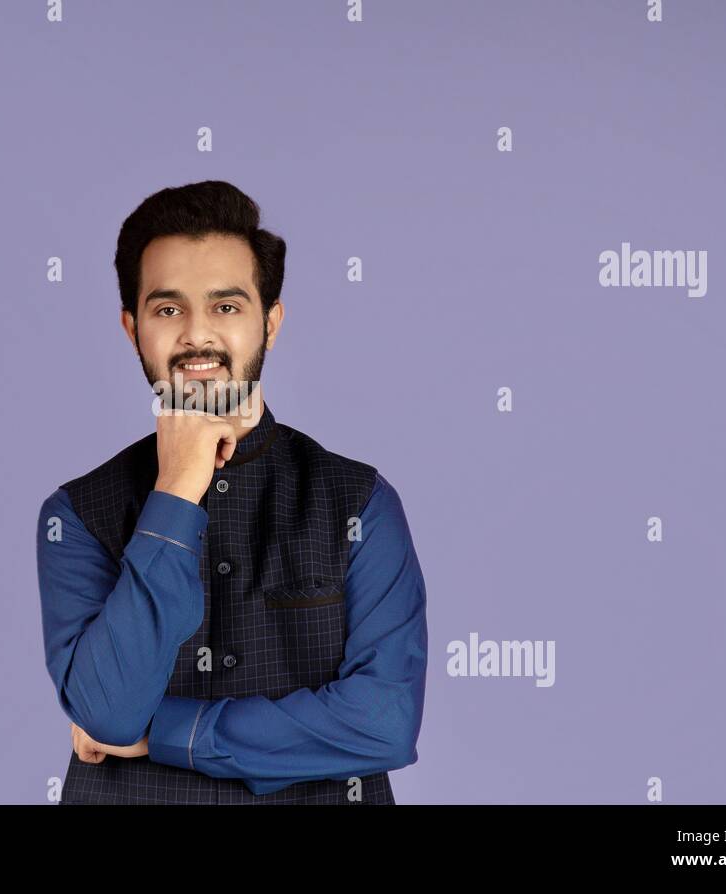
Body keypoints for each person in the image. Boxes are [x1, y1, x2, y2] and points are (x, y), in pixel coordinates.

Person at [35, 180, 428, 804]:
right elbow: (108, 714)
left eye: (225, 306)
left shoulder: (359, 501)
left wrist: (162, 733)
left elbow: (383, 723)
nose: (197, 335)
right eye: (168, 309)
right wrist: (175, 494)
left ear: (269, 323)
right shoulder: (77, 515)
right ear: (131, 327)